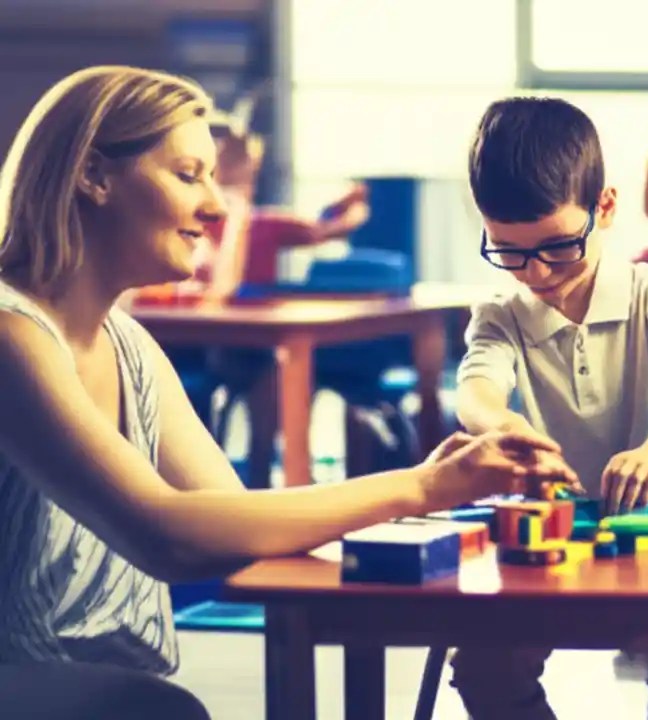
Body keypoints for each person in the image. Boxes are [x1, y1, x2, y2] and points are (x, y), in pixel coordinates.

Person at [0, 65, 572, 718]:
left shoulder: (128, 346)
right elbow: (165, 536)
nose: (216, 207)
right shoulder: (10, 335)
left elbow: (233, 520)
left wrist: (430, 489)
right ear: (94, 176)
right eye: (189, 175)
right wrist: (420, 487)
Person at [453, 96, 648, 719]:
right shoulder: (501, 316)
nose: (535, 271)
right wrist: (505, 427)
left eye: (556, 246)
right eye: (508, 250)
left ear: (604, 207)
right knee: (482, 664)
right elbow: (475, 392)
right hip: (565, 530)